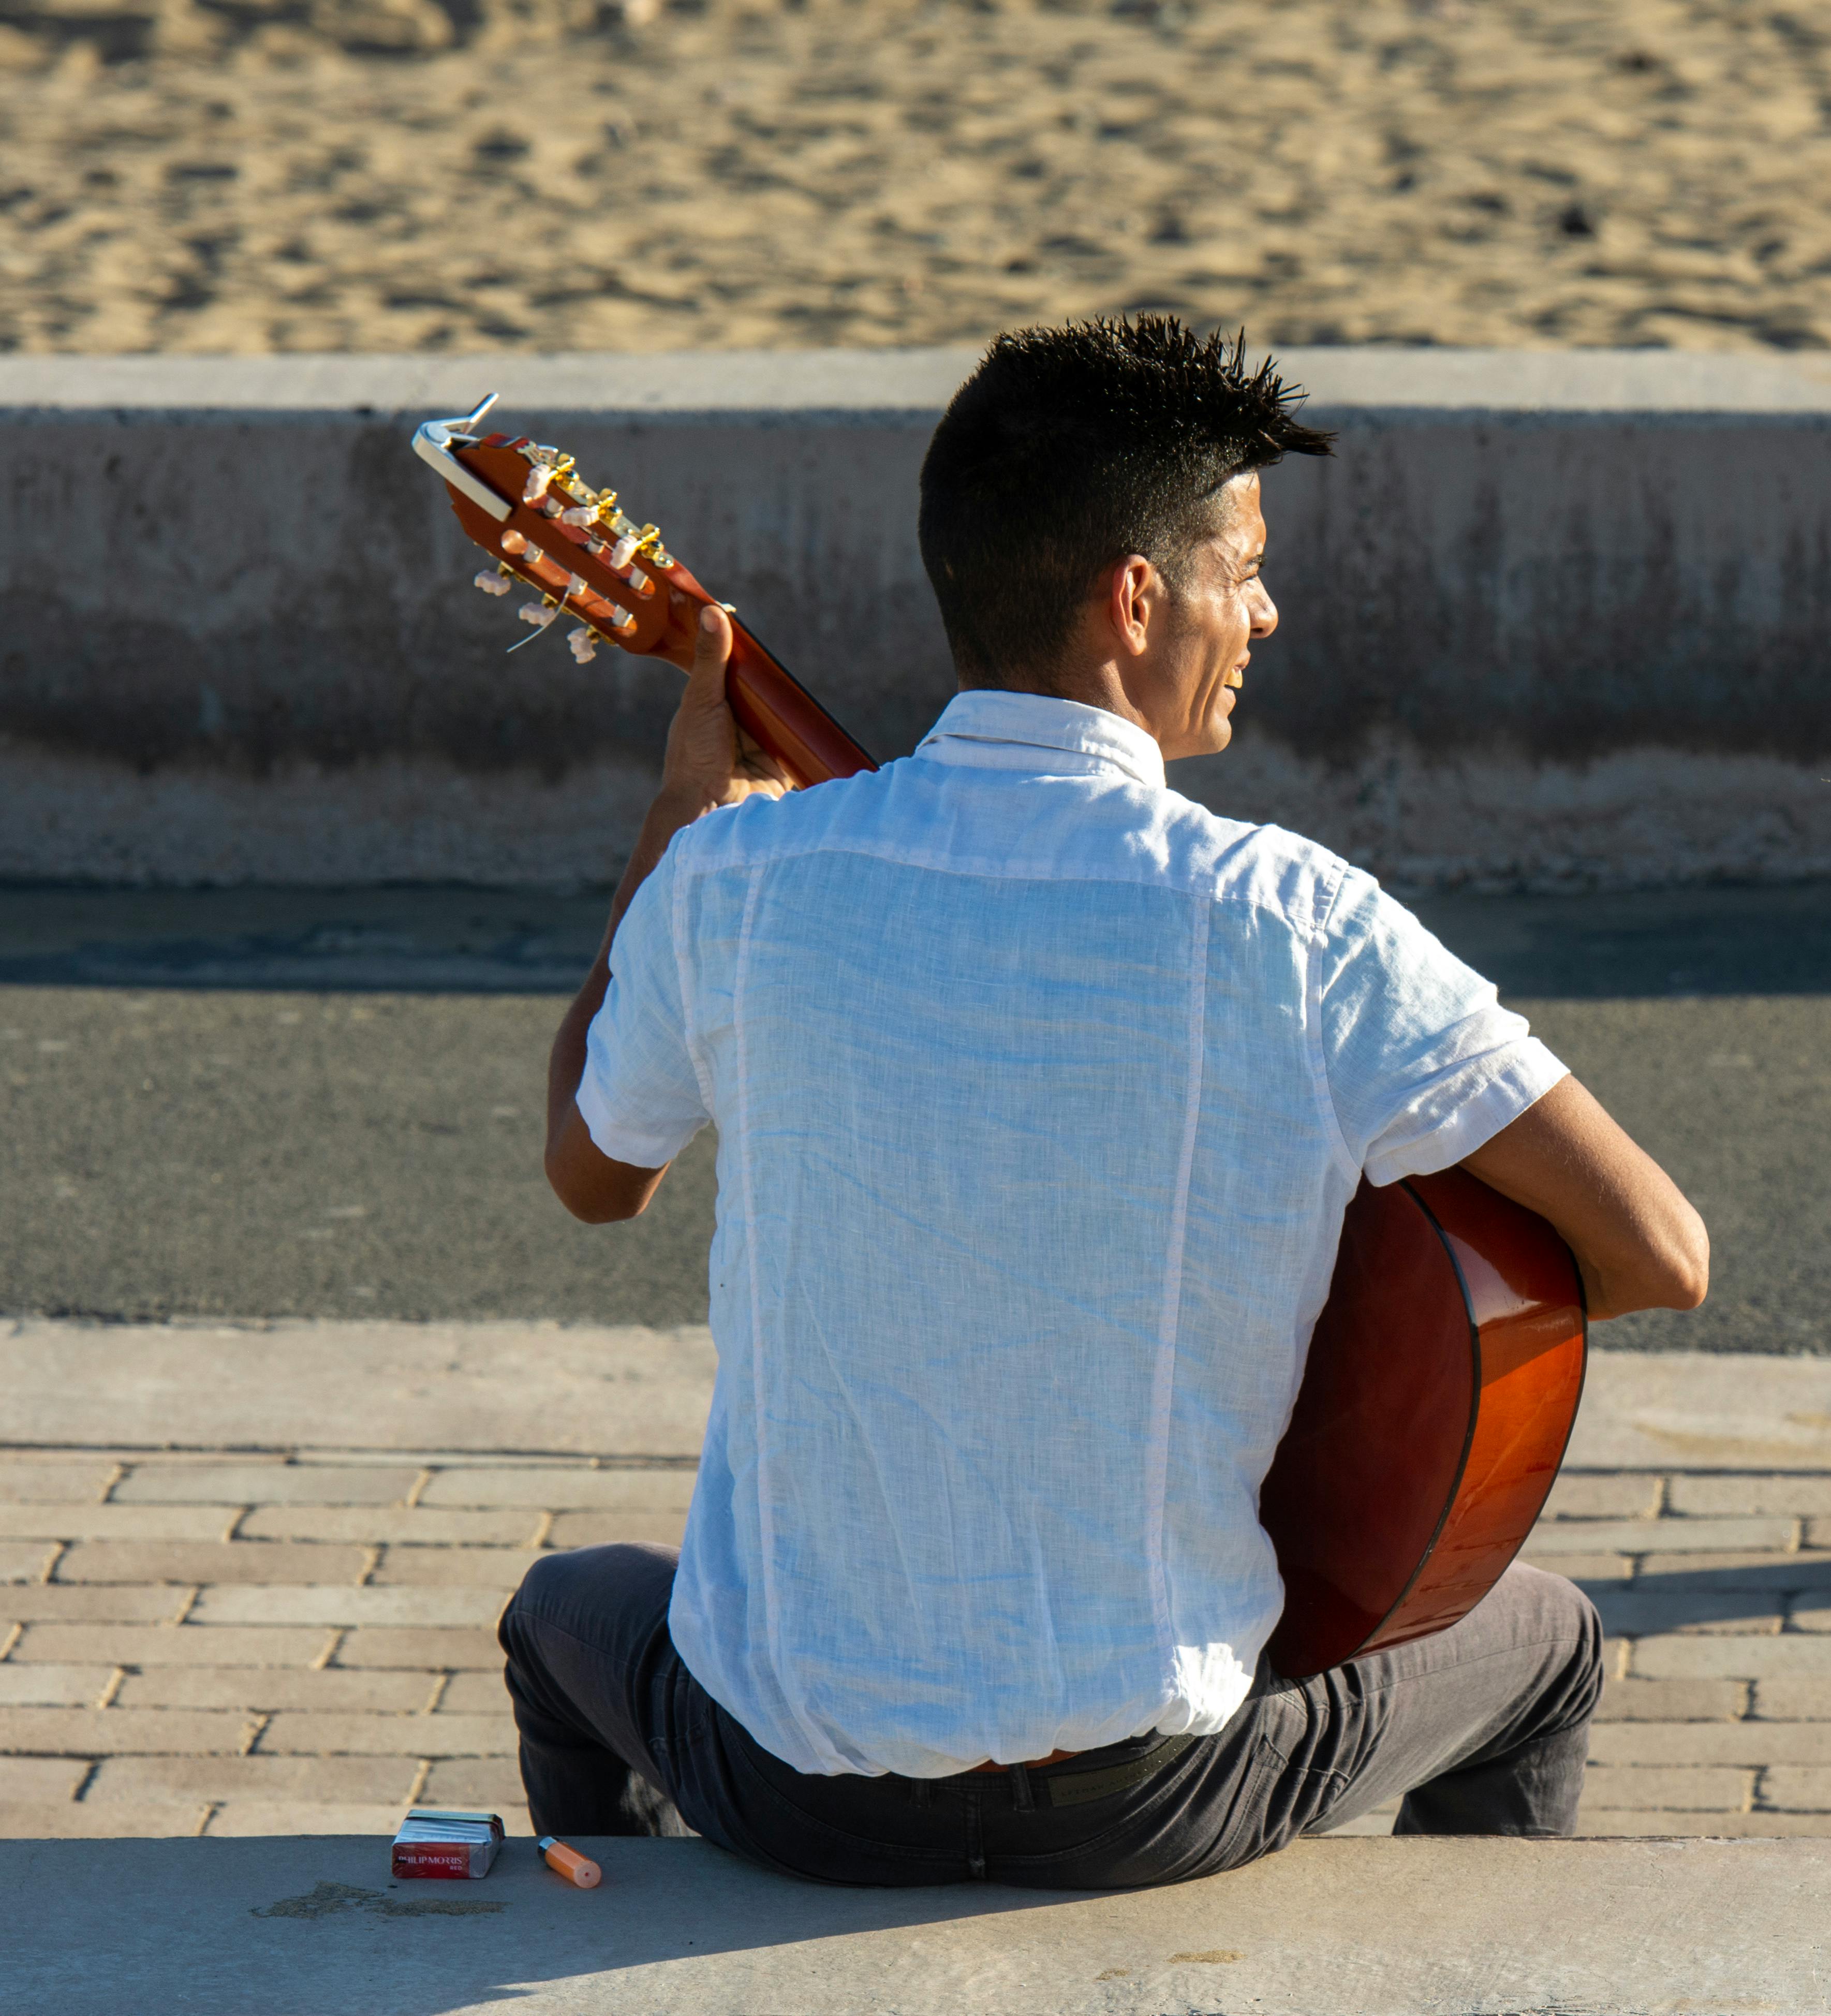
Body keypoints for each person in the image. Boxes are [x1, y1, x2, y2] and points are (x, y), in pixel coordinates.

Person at [497, 317, 1710, 1889]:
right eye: (1246, 566)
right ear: (1138, 598)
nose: (1264, 612)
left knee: (560, 1616)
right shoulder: (1291, 919)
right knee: (1545, 1641)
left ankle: (605, 1942)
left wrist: (673, 822)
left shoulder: (729, 880)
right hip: (1149, 1789)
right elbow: (1658, 1252)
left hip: (797, 1782)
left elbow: (594, 1173)